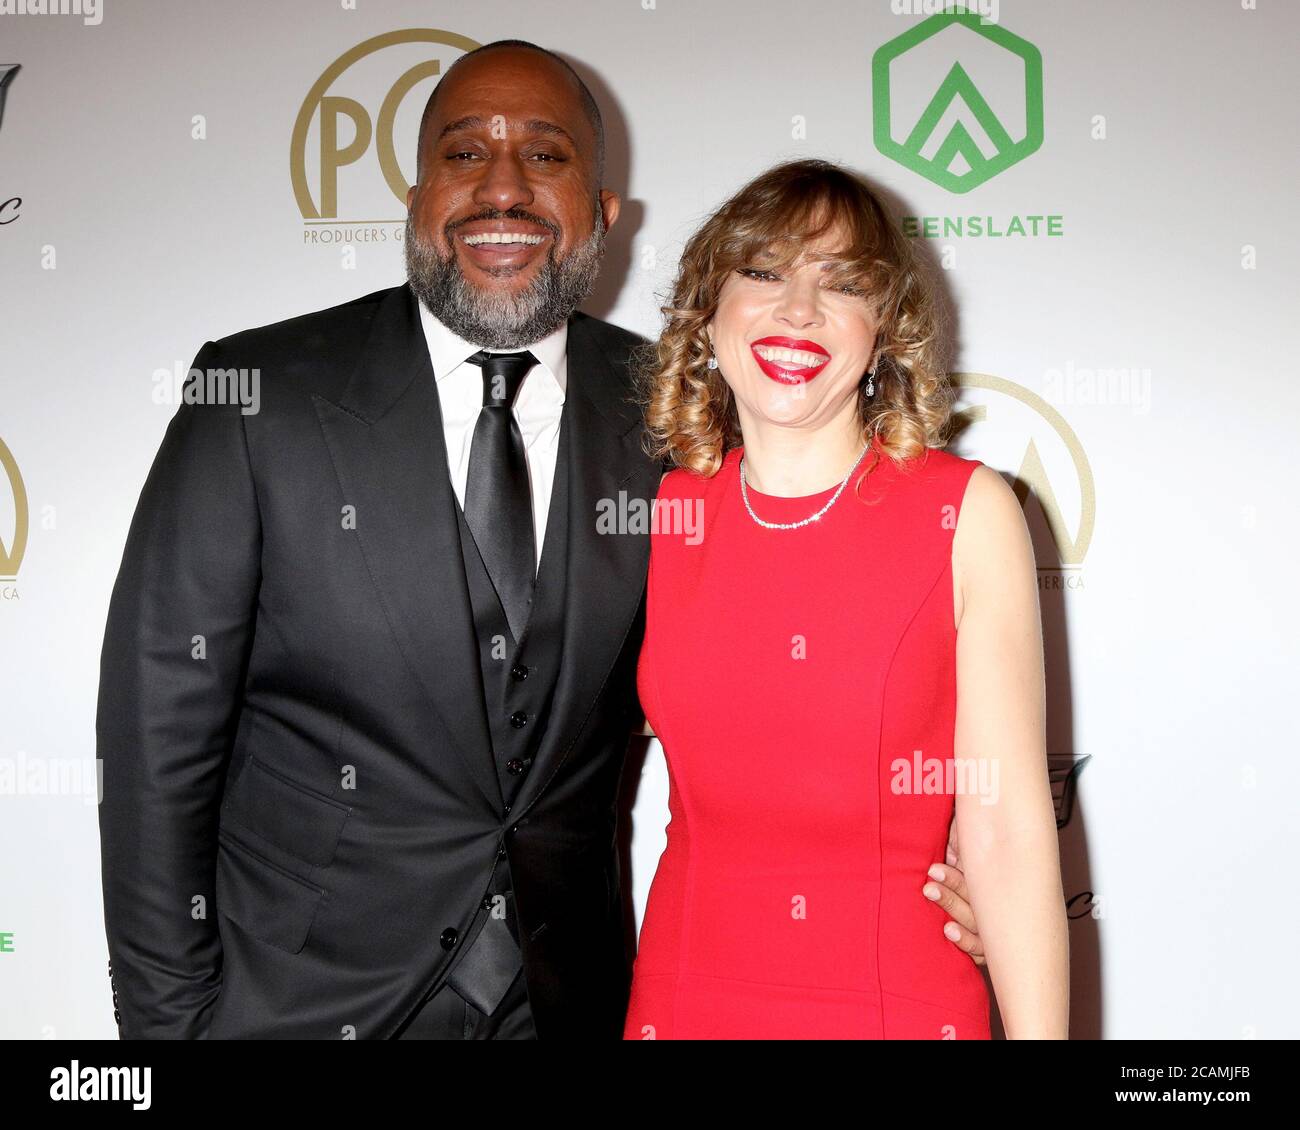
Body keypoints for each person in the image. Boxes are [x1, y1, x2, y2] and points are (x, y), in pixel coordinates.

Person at [96, 40, 986, 1041]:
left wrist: (964, 860)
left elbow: (808, 671)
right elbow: (156, 738)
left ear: (602, 212)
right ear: (416, 197)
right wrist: (167, 1026)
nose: (503, 188)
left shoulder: (681, 420)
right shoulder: (260, 395)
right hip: (299, 1006)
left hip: (573, 1006)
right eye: (464, 154)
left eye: (547, 156)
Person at [624, 159, 1068, 1039]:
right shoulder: (664, 511)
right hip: (683, 1000)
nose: (799, 309)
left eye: (843, 283)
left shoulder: (965, 512)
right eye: (763, 272)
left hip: (897, 1005)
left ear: (883, 330)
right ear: (707, 312)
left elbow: (1008, 833)